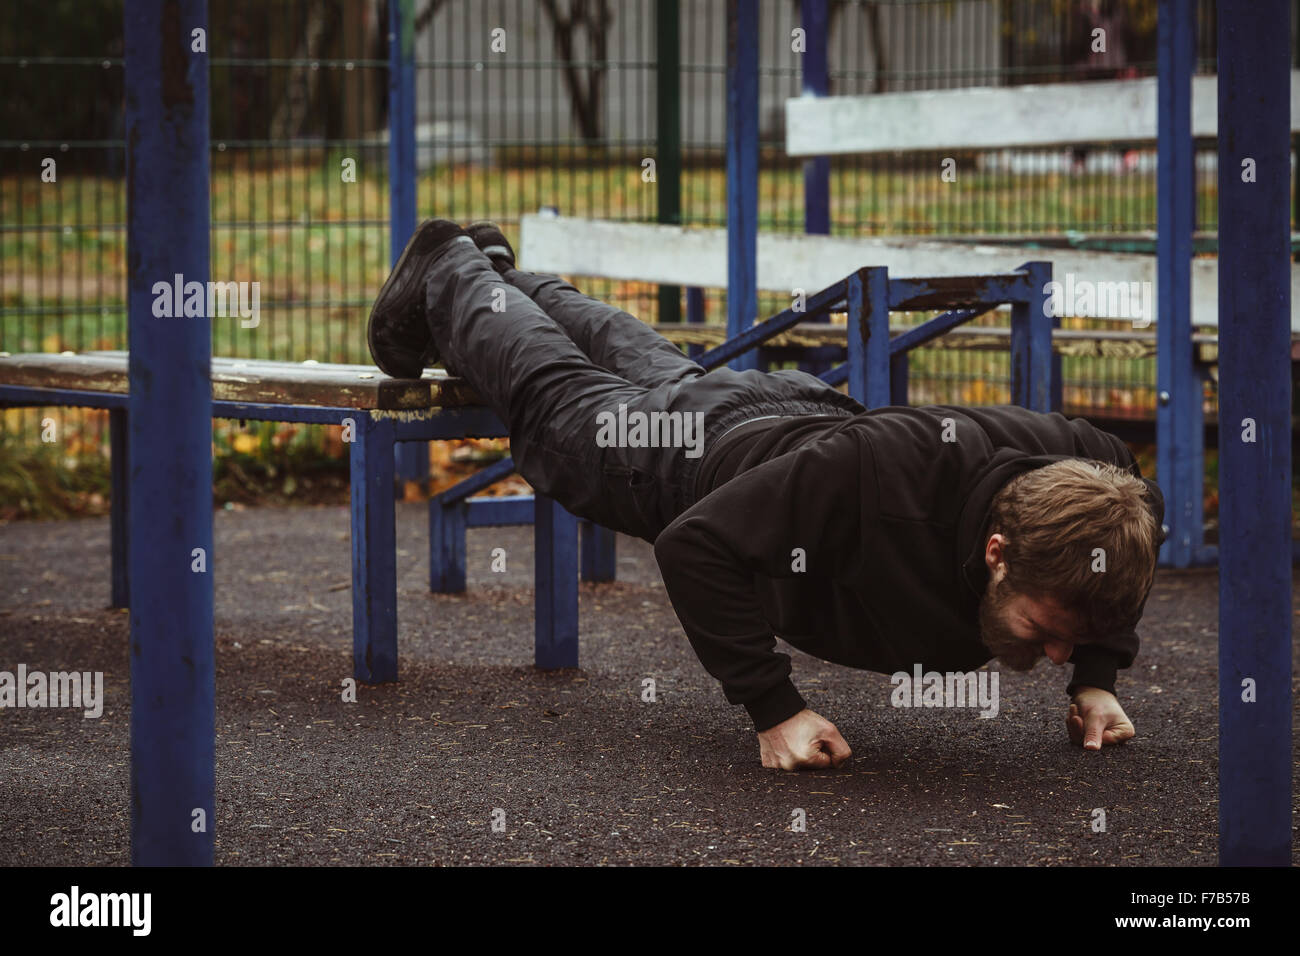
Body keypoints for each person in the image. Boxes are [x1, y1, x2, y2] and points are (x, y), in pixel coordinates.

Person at [367, 219, 1166, 771]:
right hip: (683, 459)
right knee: (552, 396)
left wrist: (1096, 675)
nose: (1052, 654)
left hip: (784, 416)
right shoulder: (879, 477)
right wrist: (773, 708)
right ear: (997, 551)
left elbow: (1140, 514)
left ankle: (503, 271)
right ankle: (451, 265)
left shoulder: (1087, 473)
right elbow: (696, 544)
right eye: (1049, 631)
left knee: (651, 366)